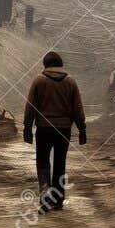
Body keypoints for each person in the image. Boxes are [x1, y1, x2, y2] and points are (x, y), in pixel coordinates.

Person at [22, 50, 86, 210]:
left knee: (43, 162)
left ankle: (45, 196)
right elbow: (78, 108)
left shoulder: (39, 81)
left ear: (45, 65)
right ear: (60, 65)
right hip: (63, 129)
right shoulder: (70, 82)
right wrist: (82, 128)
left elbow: (30, 107)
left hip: (43, 128)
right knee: (60, 163)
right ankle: (57, 200)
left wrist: (27, 128)